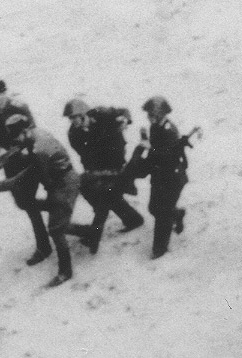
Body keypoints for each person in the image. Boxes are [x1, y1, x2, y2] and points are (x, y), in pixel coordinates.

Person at [0, 112, 83, 287]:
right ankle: (90, 233)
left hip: (64, 184)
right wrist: (1, 160)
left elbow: (31, 173)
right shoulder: (35, 133)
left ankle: (65, 272)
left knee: (56, 229)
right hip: (60, 181)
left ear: (24, 131)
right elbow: (20, 148)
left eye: (18, 136)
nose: (17, 141)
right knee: (54, 217)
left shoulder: (40, 149)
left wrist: (3, 185)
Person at [62, 97, 145, 254]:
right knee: (97, 193)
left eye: (74, 117)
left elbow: (124, 112)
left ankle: (94, 235)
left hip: (115, 163)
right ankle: (133, 219)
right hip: (96, 168)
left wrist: (125, 120)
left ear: (83, 114)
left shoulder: (102, 114)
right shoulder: (73, 134)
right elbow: (85, 154)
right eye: (70, 119)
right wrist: (95, 173)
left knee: (105, 196)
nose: (72, 121)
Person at [0, 79, 49, 265]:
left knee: (42, 195)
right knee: (23, 202)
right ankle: (53, 211)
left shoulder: (19, 107)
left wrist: (21, 149)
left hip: (30, 158)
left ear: (4, 93)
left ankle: (44, 245)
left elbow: (33, 132)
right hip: (11, 162)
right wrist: (2, 153)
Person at [128, 96, 191, 259]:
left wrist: (151, 148)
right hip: (160, 175)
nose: (149, 117)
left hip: (172, 177)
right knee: (154, 208)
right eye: (148, 114)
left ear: (161, 114)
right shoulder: (155, 127)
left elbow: (170, 156)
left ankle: (159, 249)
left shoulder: (170, 131)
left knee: (162, 213)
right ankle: (177, 214)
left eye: (152, 114)